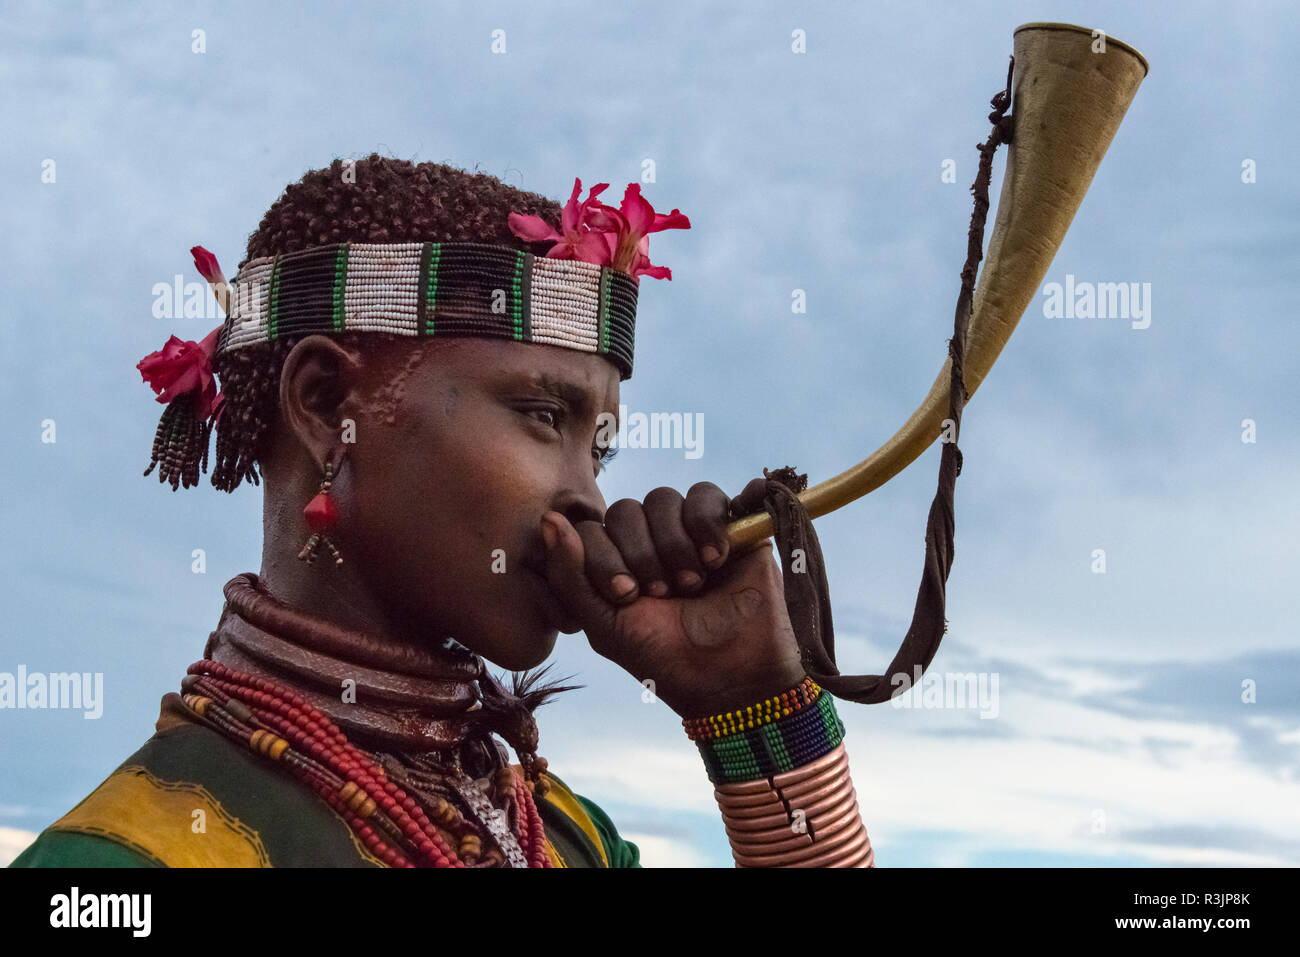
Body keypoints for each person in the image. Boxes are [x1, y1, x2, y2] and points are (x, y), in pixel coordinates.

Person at [10, 154, 873, 868]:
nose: (590, 496)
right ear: (324, 405)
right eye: (543, 416)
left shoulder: (571, 841)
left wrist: (755, 705)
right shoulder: (124, 865)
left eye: (599, 447)